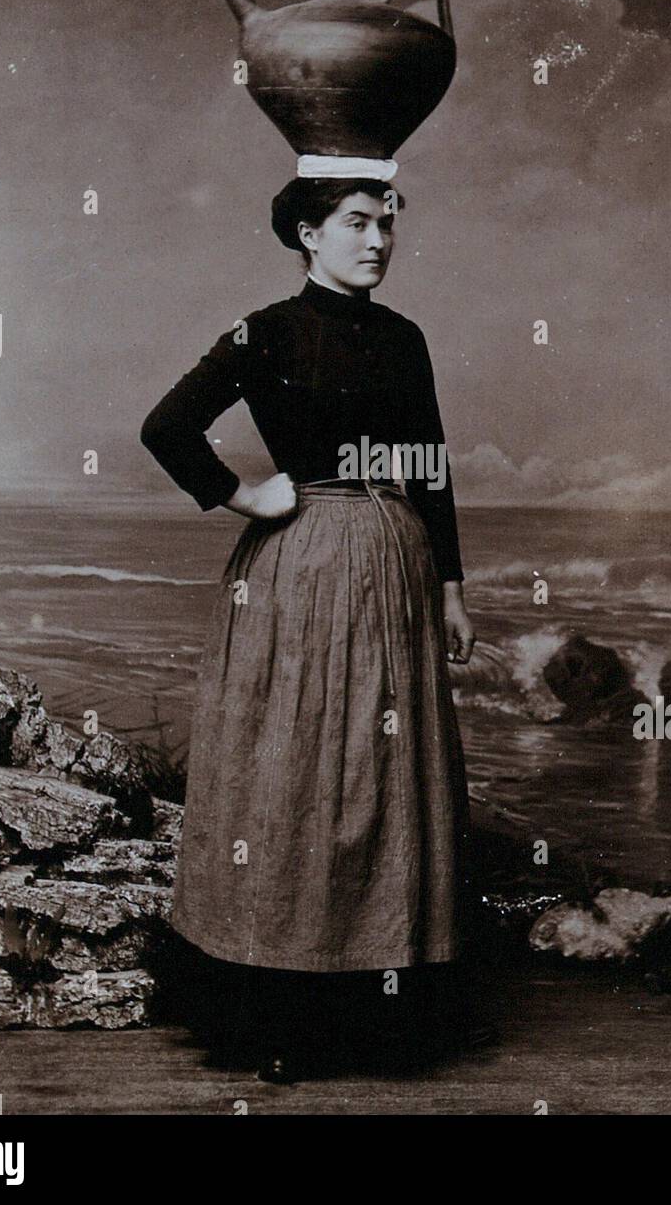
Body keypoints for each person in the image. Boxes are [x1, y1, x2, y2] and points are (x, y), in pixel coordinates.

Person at [140, 176, 484, 1082]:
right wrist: (244, 493)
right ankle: (282, 1016)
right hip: (301, 568)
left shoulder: (405, 339)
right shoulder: (267, 331)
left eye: (387, 225)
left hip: (399, 562)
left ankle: (387, 1018)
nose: (378, 241)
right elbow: (166, 426)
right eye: (357, 225)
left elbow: (431, 465)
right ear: (308, 233)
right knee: (292, 775)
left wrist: (451, 585)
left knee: (387, 776)